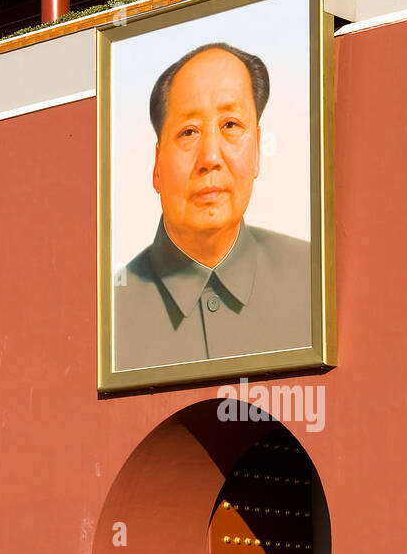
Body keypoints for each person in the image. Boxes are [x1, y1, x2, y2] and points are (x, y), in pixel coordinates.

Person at [113, 42, 311, 371]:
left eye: (230, 125)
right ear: (157, 166)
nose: (210, 159)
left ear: (258, 149)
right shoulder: (110, 314)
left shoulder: (312, 278)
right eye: (189, 132)